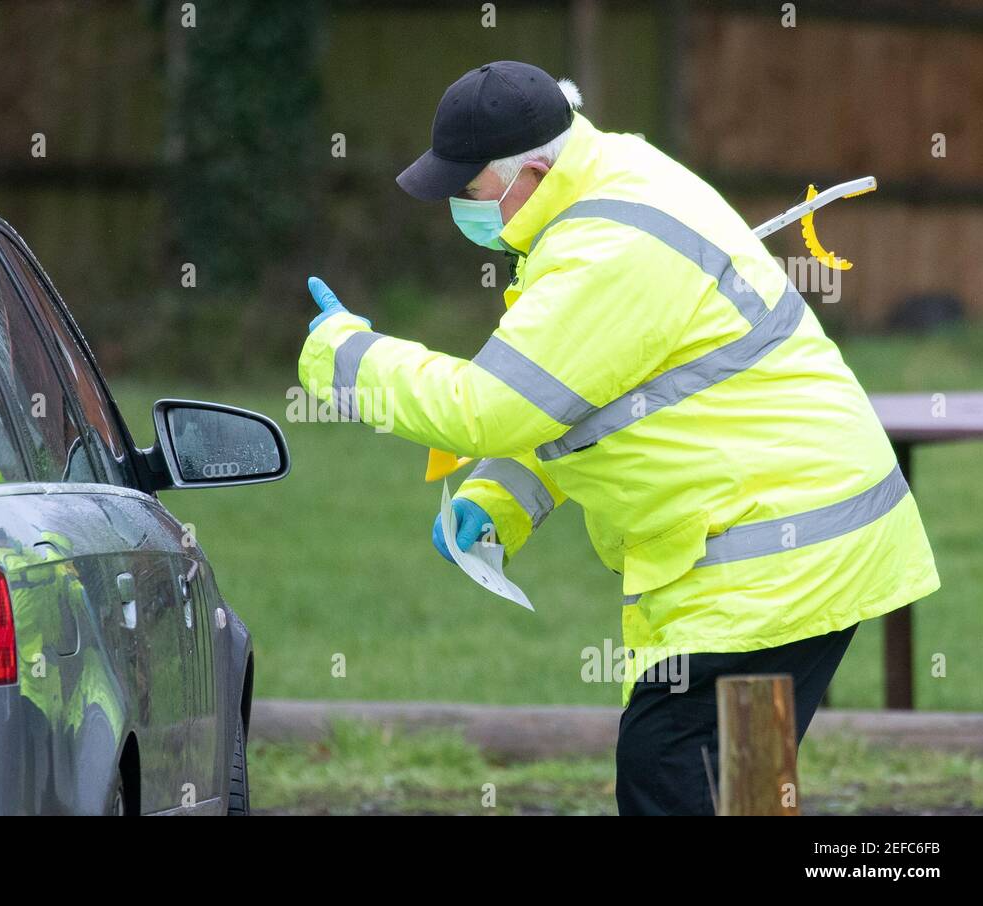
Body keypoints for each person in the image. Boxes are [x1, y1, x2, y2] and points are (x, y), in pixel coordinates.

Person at [296, 61, 940, 815]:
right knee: (735, 780)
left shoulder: (605, 245)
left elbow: (487, 407)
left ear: (531, 172)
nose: (456, 210)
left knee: (670, 767)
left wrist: (344, 358)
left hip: (772, 553)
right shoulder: (611, 180)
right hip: (799, 537)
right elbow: (592, 398)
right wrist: (502, 497)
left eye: (465, 192)